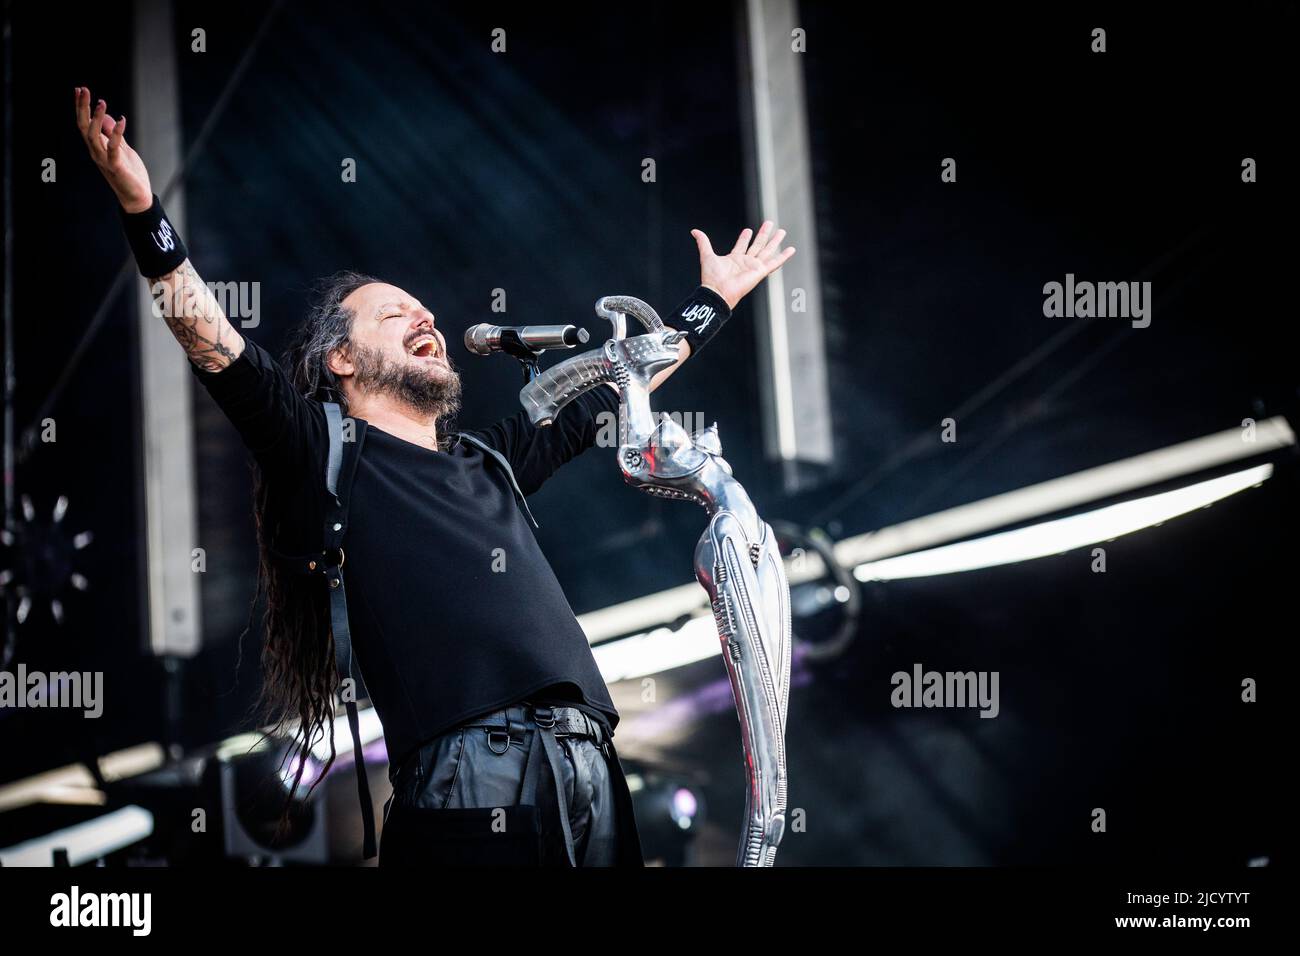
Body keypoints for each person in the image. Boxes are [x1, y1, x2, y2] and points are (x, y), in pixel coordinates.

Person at [73, 85, 795, 865]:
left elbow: (625, 385)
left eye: (424, 311)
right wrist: (143, 210)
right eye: (392, 315)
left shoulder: (490, 460)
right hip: (473, 768)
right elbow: (212, 342)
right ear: (340, 360)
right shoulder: (325, 453)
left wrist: (712, 300)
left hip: (591, 758)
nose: (424, 319)